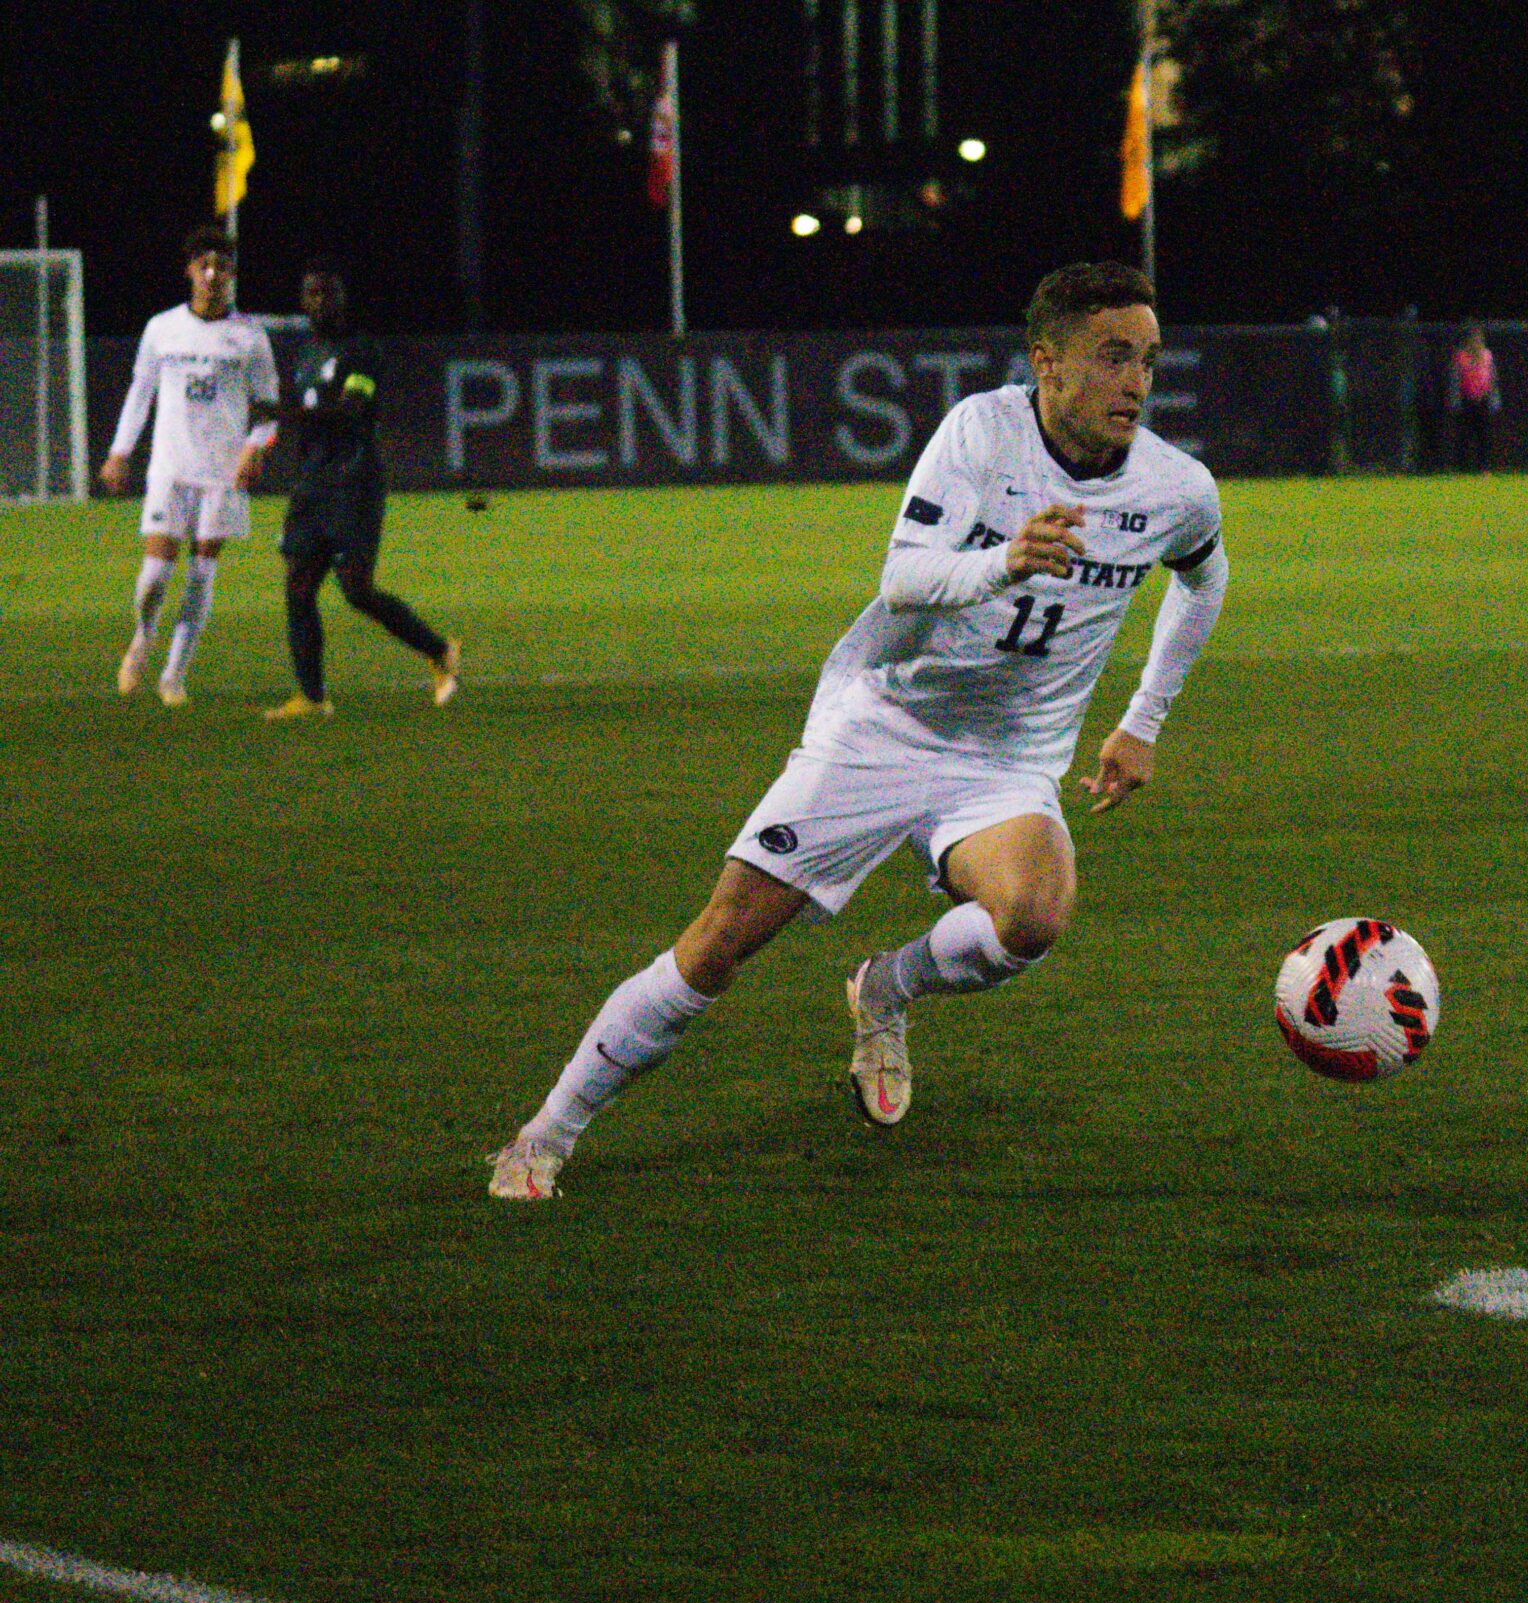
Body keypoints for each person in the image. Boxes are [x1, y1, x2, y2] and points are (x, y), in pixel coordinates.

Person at [488, 261, 1230, 1200]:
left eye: (1150, 361)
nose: (1136, 382)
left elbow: (1205, 579)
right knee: (718, 942)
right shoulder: (982, 433)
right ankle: (547, 1131)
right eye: (1113, 356)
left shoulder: (1177, 488)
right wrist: (1003, 561)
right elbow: (905, 580)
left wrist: (1141, 721)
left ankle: (887, 988)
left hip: (1005, 758)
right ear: (1047, 360)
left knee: (1032, 918)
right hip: (884, 722)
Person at [257, 258, 459, 720]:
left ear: (342, 299)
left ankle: (440, 651)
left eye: (328, 293)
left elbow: (350, 411)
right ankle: (312, 697)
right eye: (311, 293)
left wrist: (282, 414)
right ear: (302, 302)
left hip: (353, 481)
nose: (319, 302)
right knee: (298, 586)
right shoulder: (305, 357)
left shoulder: (364, 352)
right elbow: (307, 422)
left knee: (357, 591)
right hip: (312, 485)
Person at [97, 226, 279, 708]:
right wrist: (120, 451)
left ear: (232, 273)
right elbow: (141, 392)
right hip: (170, 467)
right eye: (205, 265)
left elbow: (268, 406)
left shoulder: (250, 337)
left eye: (222, 265)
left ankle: (174, 675)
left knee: (201, 574)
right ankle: (143, 635)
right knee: (156, 575)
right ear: (190, 271)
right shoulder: (161, 328)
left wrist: (255, 446)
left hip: (222, 473)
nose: (213, 274)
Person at [1446, 324, 1500, 472]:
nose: (1476, 342)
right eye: (1473, 339)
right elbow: (1455, 379)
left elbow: (1493, 378)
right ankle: (1462, 467)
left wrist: (1494, 399)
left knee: (1484, 436)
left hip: (1483, 399)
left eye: (1478, 339)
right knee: (1464, 435)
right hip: (1466, 399)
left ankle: (1484, 467)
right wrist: (1455, 400)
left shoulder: (1487, 355)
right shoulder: (1461, 356)